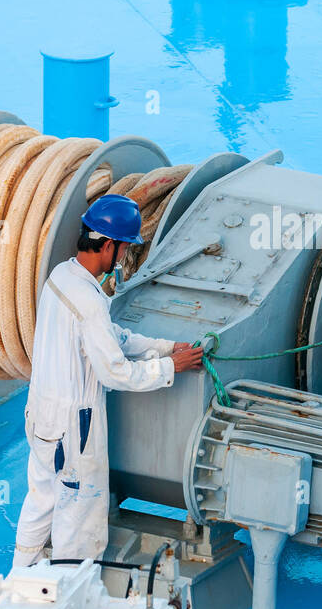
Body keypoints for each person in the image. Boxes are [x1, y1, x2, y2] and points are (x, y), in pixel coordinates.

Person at [12, 193, 204, 568]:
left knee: (41, 500)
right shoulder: (89, 300)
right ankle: (68, 598)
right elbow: (114, 372)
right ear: (110, 246)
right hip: (74, 428)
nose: (125, 258)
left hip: (41, 416)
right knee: (78, 518)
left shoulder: (60, 278)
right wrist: (171, 368)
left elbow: (111, 337)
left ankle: (20, 577)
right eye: (126, 249)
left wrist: (166, 347)